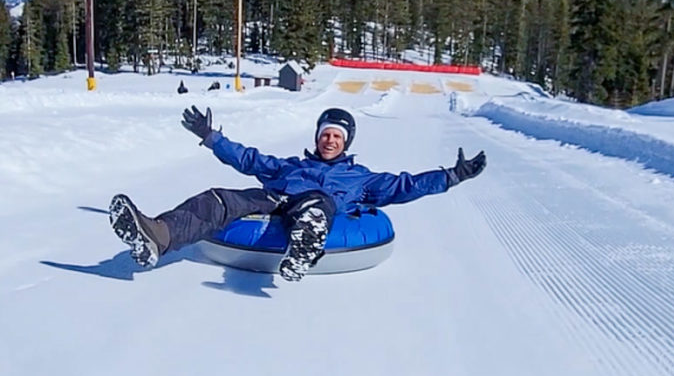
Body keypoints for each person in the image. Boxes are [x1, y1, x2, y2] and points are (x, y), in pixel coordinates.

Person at [109, 105, 487, 282]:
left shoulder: (361, 178)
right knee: (220, 198)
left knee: (317, 203)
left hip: (315, 207)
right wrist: (212, 138)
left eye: (337, 136)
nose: (330, 139)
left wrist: (451, 176)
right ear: (317, 136)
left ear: (346, 142)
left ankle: (304, 246)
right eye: (325, 133)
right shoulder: (291, 165)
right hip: (275, 200)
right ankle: (157, 236)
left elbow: (405, 185)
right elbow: (249, 159)